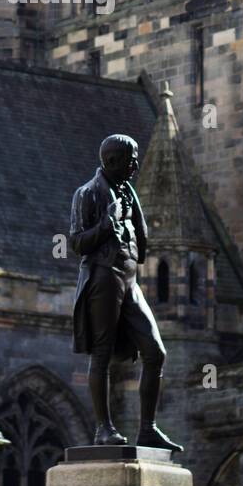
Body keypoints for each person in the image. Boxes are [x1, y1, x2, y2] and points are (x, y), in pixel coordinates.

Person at [69, 133, 183, 451]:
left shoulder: (128, 192)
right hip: (103, 279)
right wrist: (105, 226)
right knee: (102, 354)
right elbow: (76, 242)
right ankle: (103, 429)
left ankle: (148, 429)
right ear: (113, 161)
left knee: (155, 352)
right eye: (132, 159)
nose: (136, 165)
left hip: (130, 281)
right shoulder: (88, 194)